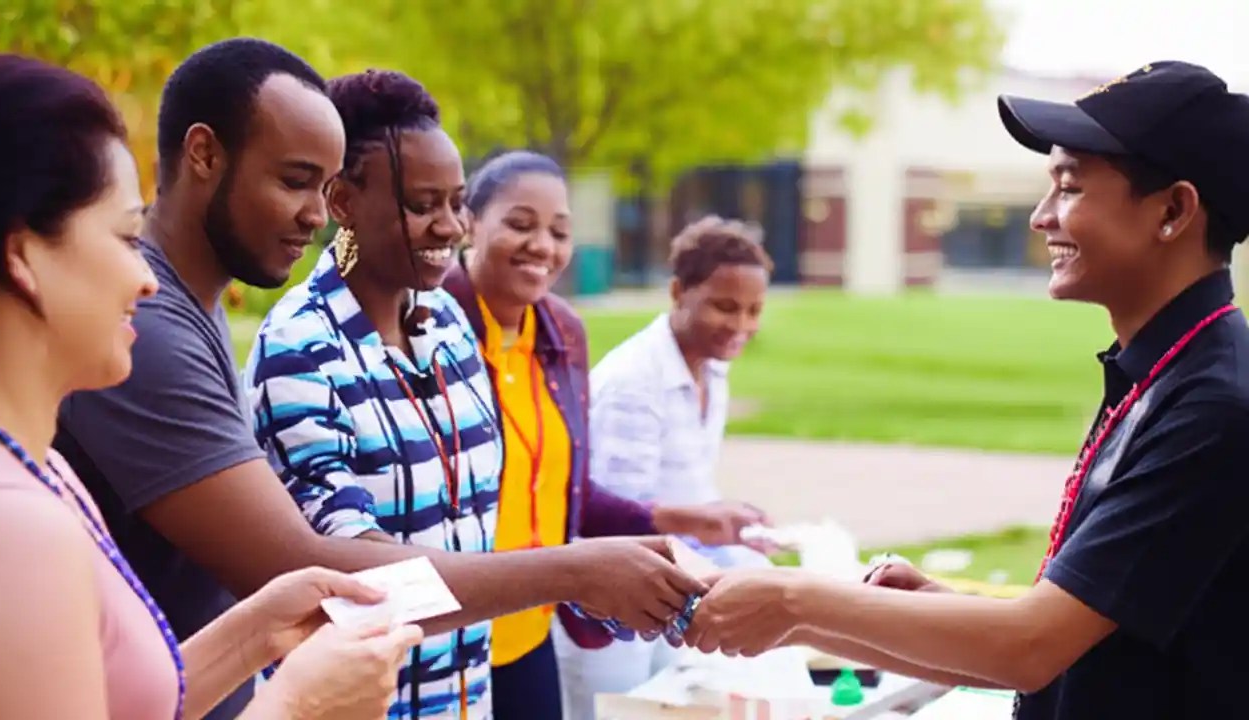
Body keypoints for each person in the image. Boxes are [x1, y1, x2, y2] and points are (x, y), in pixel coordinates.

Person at [52, 42, 701, 720]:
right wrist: (577, 571)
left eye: (321, 186)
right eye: (296, 180)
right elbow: (298, 570)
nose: (315, 213)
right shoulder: (163, 329)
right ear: (206, 154)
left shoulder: (429, 318)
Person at [684, 61, 1249, 720]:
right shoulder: (1161, 371)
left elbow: (1031, 650)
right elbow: (1085, 634)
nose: (1042, 218)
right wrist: (924, 610)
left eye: (1069, 187)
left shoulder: (1215, 407)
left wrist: (791, 601)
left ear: (1174, 210)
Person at [0, 53, 423, 720]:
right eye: (124, 237)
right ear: (24, 255)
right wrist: (299, 707)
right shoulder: (6, 526)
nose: (145, 279)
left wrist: (255, 631)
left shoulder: (43, 467)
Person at [243, 71, 706, 719]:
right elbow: (353, 575)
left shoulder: (449, 325)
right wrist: (573, 571)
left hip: (472, 697)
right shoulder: (302, 348)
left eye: (457, 202)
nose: (450, 227)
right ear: (343, 200)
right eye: (421, 204)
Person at [440, 152, 772, 719]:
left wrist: (693, 526)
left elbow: (569, 491)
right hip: (451, 633)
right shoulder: (432, 326)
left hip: (530, 629)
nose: (542, 245)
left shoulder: (562, 331)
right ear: (468, 221)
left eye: (559, 231)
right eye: (520, 224)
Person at [544, 214, 775, 717]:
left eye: (753, 310)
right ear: (677, 292)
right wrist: (709, 528)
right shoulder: (634, 381)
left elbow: (690, 487)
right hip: (610, 611)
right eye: (724, 306)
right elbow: (613, 515)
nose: (741, 325)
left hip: (678, 590)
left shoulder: (714, 368)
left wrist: (737, 535)